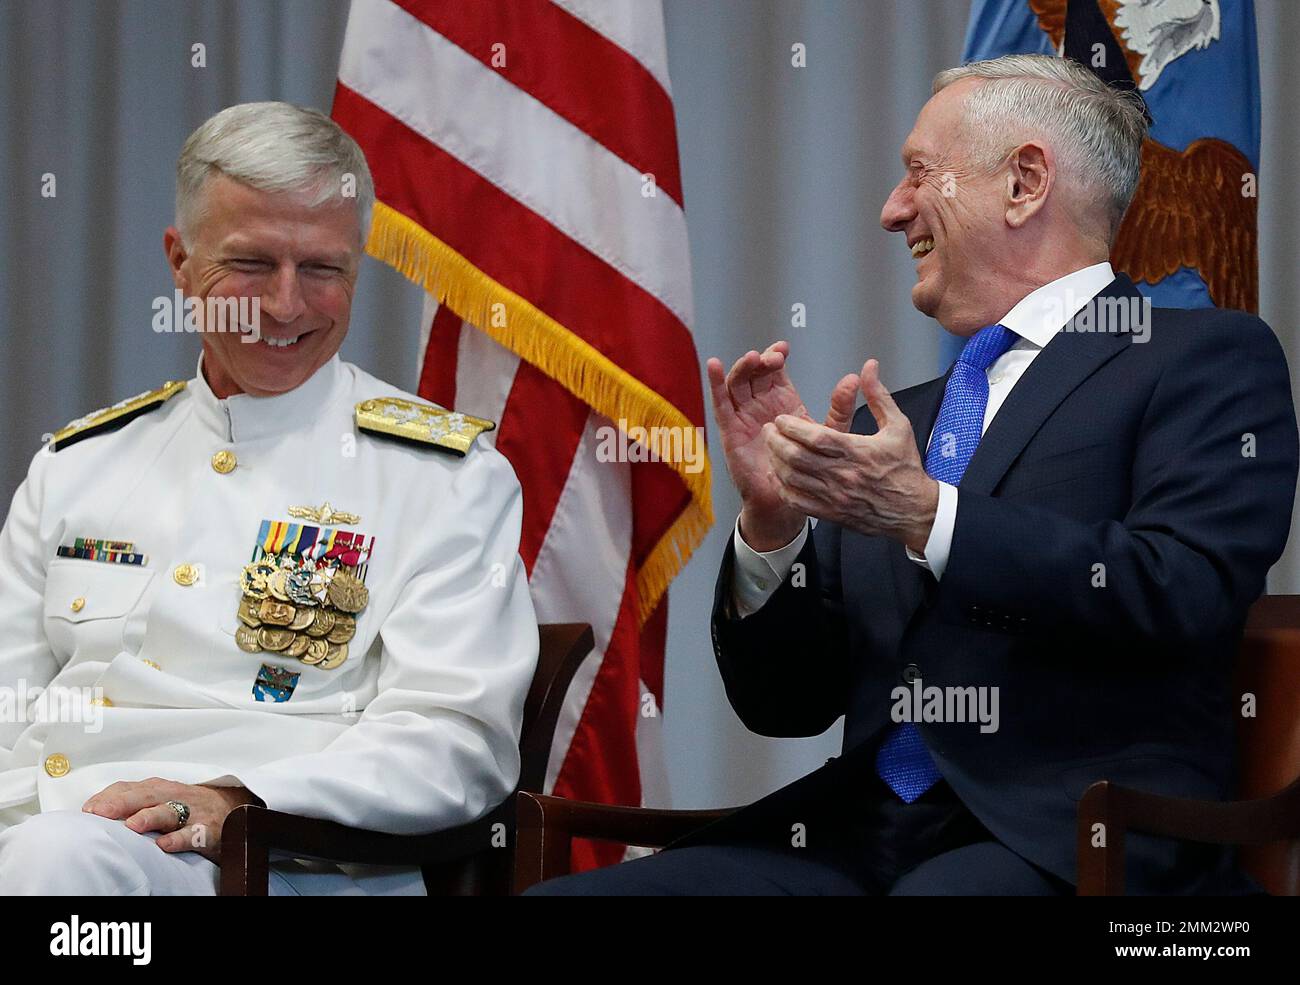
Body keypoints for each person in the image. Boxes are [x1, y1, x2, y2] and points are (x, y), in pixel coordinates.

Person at [528, 54, 1297, 895]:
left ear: (1025, 182)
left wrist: (934, 518)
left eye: (919, 174)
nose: (892, 210)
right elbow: (786, 705)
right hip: (851, 840)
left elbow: (1179, 587)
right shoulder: (900, 421)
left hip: (1078, 846)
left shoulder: (1204, 361)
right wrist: (774, 527)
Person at [0, 102, 538, 895]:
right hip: (43, 837)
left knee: (59, 867)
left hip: (278, 868)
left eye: (322, 268)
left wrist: (239, 800)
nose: (286, 305)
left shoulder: (447, 478)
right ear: (179, 262)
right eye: (251, 264)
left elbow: (457, 740)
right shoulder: (79, 463)